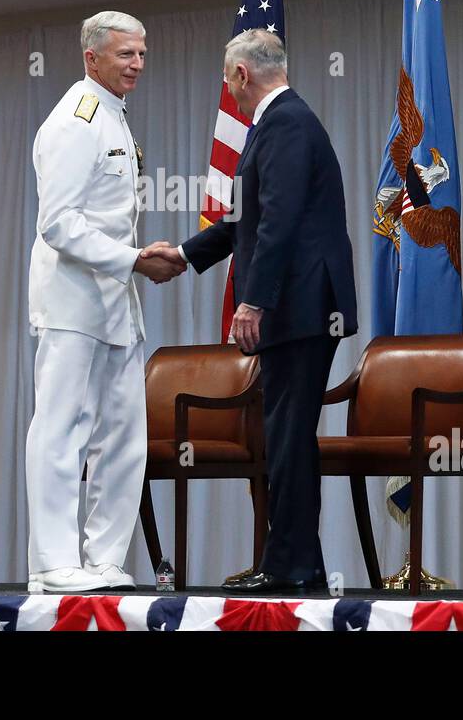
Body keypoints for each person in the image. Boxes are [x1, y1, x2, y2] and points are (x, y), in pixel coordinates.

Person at [143, 29, 358, 594]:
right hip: (302, 301)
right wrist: (187, 255)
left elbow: (280, 218)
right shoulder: (283, 121)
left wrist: (253, 298)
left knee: (287, 435)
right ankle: (299, 564)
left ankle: (290, 567)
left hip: (301, 302)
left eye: (227, 82)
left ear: (241, 75)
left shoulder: (285, 120)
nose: (229, 95)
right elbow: (249, 219)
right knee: (285, 434)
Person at [25, 11, 184, 593]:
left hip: (115, 302)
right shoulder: (76, 119)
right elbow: (58, 224)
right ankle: (53, 562)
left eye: (142, 53)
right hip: (72, 304)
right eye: (125, 55)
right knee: (62, 428)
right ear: (91, 58)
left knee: (122, 435)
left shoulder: (114, 117)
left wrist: (134, 260)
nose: (138, 64)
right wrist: (135, 260)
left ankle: (104, 560)